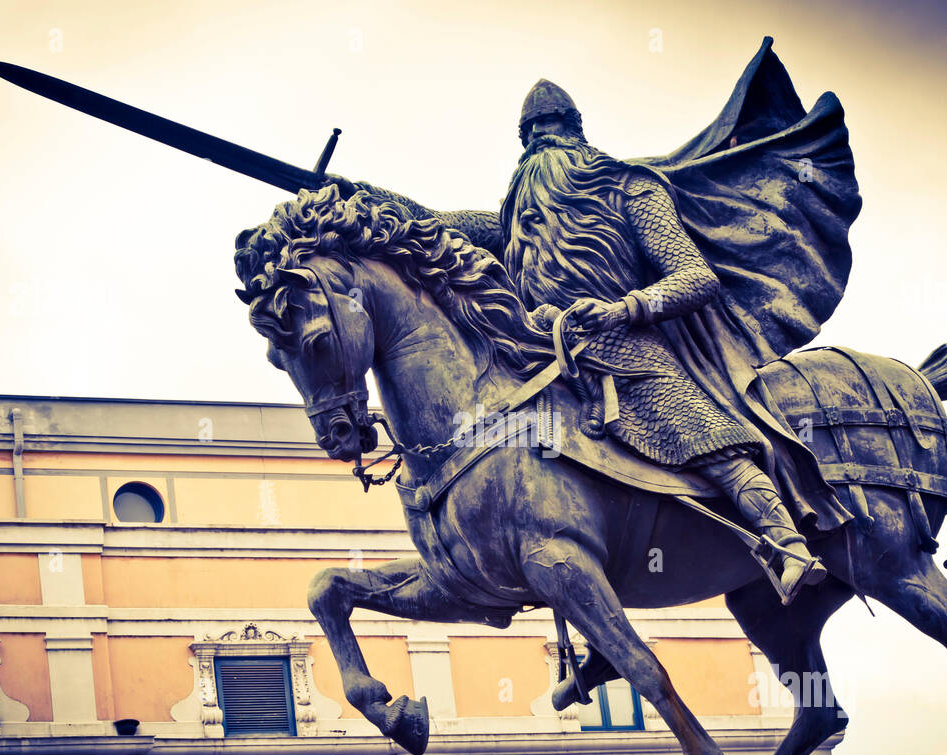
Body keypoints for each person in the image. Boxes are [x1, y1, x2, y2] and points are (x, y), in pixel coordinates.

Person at [329, 41, 861, 599]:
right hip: (538, 360)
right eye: (529, 135)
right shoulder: (515, 220)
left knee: (701, 433)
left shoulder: (632, 189)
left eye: (551, 127)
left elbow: (695, 277)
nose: (540, 141)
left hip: (628, 350)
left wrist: (621, 310)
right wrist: (359, 195)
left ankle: (785, 541)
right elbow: (432, 223)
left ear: (576, 131)